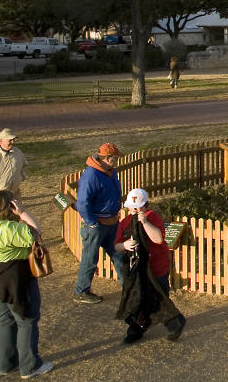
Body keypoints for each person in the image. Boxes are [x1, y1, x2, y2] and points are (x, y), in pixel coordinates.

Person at [0, 191, 53, 380]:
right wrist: (23, 213)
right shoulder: (9, 228)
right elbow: (36, 231)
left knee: (4, 319)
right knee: (27, 320)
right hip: (15, 279)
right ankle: (29, 366)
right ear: (9, 207)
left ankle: (6, 364)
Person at [113, 188, 186, 344]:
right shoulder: (125, 223)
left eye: (138, 207)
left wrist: (144, 222)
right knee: (136, 298)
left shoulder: (152, 217)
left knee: (158, 298)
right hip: (136, 269)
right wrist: (125, 245)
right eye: (132, 207)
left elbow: (158, 239)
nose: (134, 210)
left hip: (156, 267)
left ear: (146, 206)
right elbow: (116, 246)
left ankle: (176, 322)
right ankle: (136, 328)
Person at [74, 142, 125, 304]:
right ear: (107, 158)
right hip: (97, 224)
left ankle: (129, 286)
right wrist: (92, 223)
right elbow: (82, 202)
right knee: (90, 258)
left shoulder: (110, 171)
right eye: (115, 158)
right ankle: (81, 291)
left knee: (119, 254)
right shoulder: (92, 175)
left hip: (111, 222)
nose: (117, 161)